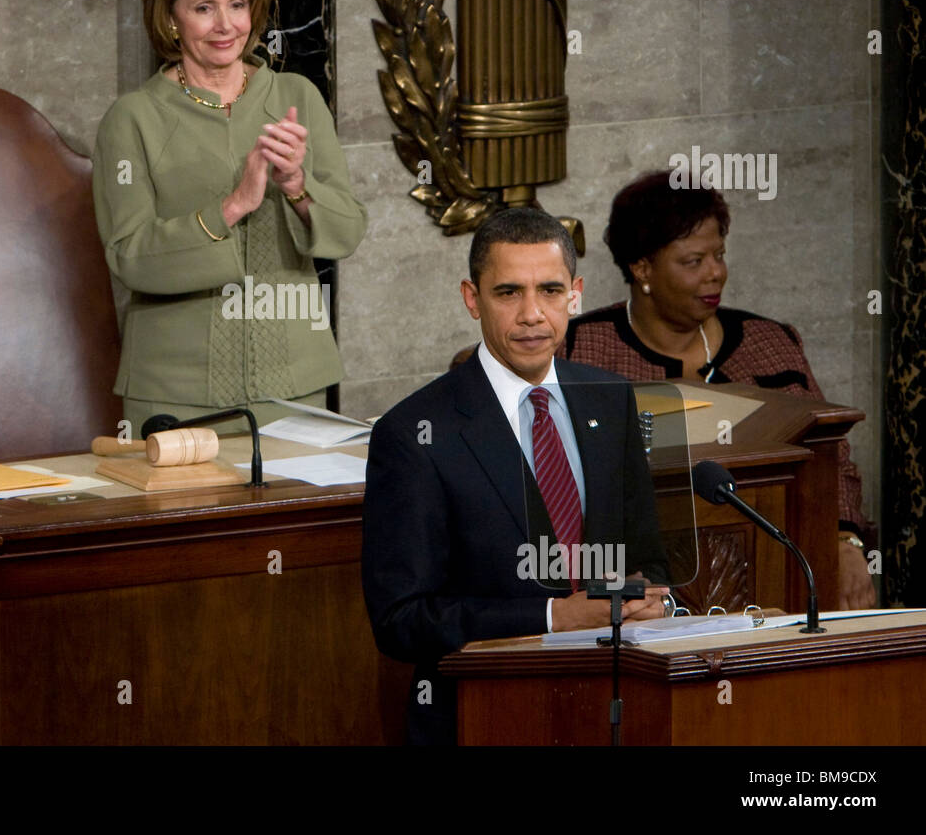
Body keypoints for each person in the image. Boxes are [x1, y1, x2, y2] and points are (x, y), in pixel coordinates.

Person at [361, 208, 669, 745]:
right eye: (508, 293)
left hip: (614, 703)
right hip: (486, 716)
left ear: (574, 294)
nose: (533, 314)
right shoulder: (414, 432)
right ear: (471, 298)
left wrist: (647, 597)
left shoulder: (611, 398)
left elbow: (646, 555)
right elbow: (402, 621)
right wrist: (553, 615)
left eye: (550, 290)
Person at [92, 0, 367, 436]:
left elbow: (347, 231)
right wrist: (233, 206)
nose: (226, 26)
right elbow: (130, 257)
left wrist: (298, 187)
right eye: (204, 8)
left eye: (237, 4)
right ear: (169, 17)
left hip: (296, 385)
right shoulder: (131, 119)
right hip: (174, 394)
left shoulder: (297, 96)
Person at [563, 170, 874, 609]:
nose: (716, 274)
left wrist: (846, 542)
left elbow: (830, 455)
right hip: (635, 586)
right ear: (642, 267)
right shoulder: (580, 348)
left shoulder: (771, 343)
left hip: (774, 572)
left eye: (719, 255)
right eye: (693, 261)